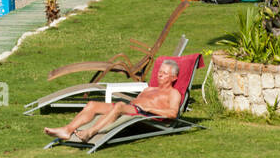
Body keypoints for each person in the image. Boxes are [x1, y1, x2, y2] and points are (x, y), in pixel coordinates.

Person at [43, 60, 182, 142]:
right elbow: (134, 102)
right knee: (92, 105)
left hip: (145, 114)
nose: (159, 74)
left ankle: (91, 132)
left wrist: (149, 109)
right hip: (130, 109)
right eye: (159, 72)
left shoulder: (173, 93)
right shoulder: (149, 89)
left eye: (164, 73)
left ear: (174, 78)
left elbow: (173, 113)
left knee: (120, 106)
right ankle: (67, 130)